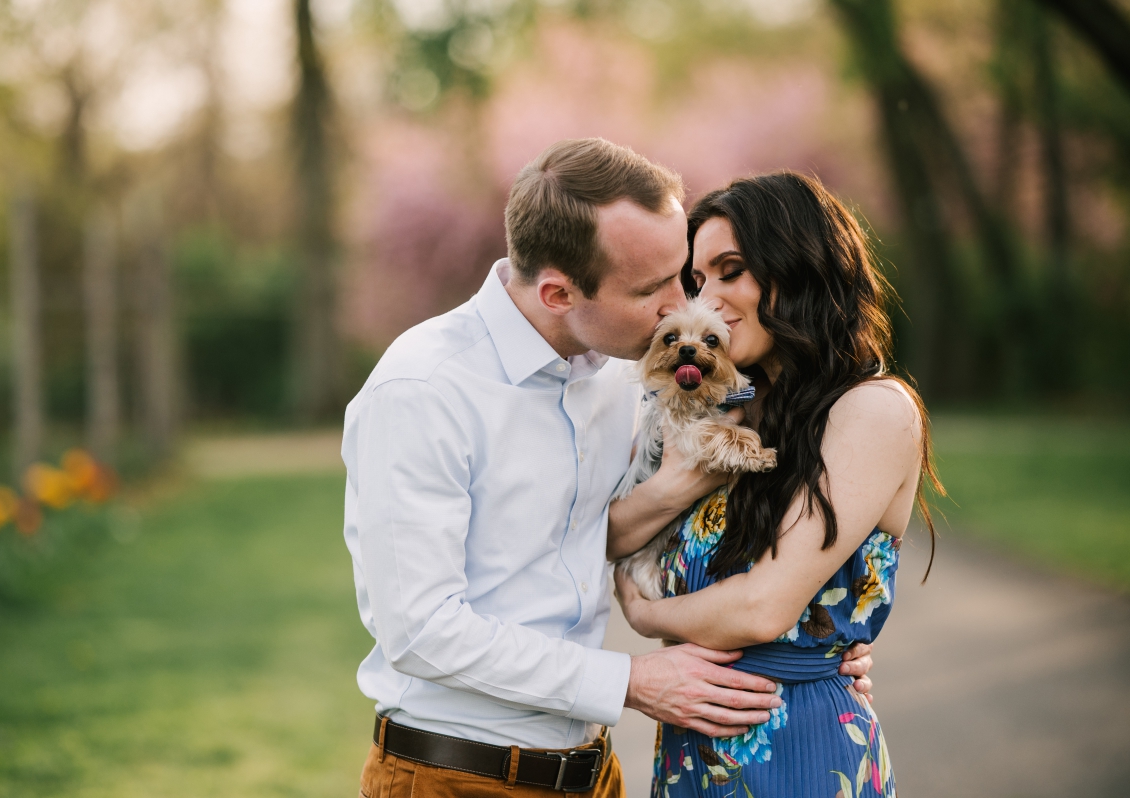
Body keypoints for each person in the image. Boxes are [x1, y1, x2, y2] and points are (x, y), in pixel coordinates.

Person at [343, 139, 874, 798]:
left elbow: (610, 532)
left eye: (684, 274)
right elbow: (419, 631)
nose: (682, 303)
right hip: (457, 775)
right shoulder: (425, 388)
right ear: (559, 292)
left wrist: (816, 650)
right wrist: (626, 682)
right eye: (653, 288)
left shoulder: (625, 374)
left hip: (594, 773)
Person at [610, 171, 942, 798]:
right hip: (690, 753)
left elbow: (764, 606)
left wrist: (645, 613)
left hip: (798, 754)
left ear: (796, 268)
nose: (706, 301)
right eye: (697, 281)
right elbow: (612, 531)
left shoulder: (873, 409)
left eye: (729, 271)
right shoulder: (728, 412)